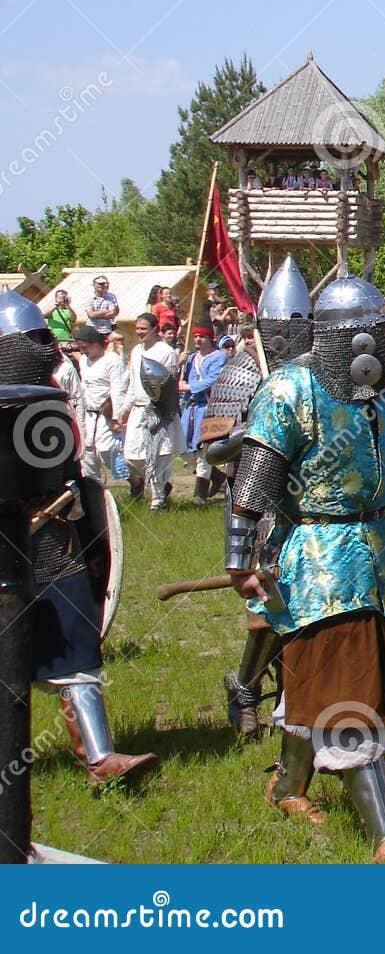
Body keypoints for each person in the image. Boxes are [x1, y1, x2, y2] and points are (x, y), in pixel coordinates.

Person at [225, 275, 385, 862]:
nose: (373, 342)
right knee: (349, 690)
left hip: (374, 563)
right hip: (315, 564)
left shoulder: (384, 399)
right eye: (360, 332)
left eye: (380, 330)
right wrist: (241, 562)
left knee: (315, 677)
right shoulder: (290, 389)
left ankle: (287, 785)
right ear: (333, 337)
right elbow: (251, 487)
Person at [0, 290, 160, 792]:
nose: (47, 347)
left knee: (77, 650)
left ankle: (99, 757)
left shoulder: (50, 396)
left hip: (54, 542)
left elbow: (71, 475)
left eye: (45, 337)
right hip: (8, 547)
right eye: (33, 339)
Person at [205, 256, 314, 740]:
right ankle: (245, 686)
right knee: (263, 613)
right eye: (283, 324)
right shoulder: (243, 369)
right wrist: (258, 431)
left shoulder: (322, 368)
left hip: (310, 503)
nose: (291, 334)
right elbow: (211, 450)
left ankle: (298, 700)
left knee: (306, 605)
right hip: (257, 496)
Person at [118, 312, 181, 509]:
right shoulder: (136, 351)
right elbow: (134, 383)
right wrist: (125, 408)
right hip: (139, 410)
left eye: (143, 329)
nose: (139, 332)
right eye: (137, 328)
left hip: (159, 411)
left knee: (160, 455)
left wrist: (164, 408)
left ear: (155, 329)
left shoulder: (165, 352)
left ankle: (158, 500)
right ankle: (160, 486)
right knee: (131, 456)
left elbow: (169, 384)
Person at [72, 324, 126, 482]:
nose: (83, 351)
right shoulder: (84, 361)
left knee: (106, 451)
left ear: (95, 343)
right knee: (88, 452)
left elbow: (118, 388)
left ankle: (135, 481)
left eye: (85, 347)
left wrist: (117, 416)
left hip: (105, 413)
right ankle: (94, 491)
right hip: (88, 413)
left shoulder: (112, 360)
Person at [179, 325, 226, 500]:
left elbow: (214, 379)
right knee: (184, 450)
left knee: (203, 452)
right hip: (191, 409)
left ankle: (200, 497)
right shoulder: (191, 358)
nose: (198, 340)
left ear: (210, 338)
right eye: (196, 336)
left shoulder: (219, 357)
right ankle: (216, 476)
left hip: (208, 408)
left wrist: (189, 387)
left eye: (202, 336)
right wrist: (179, 363)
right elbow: (180, 380)